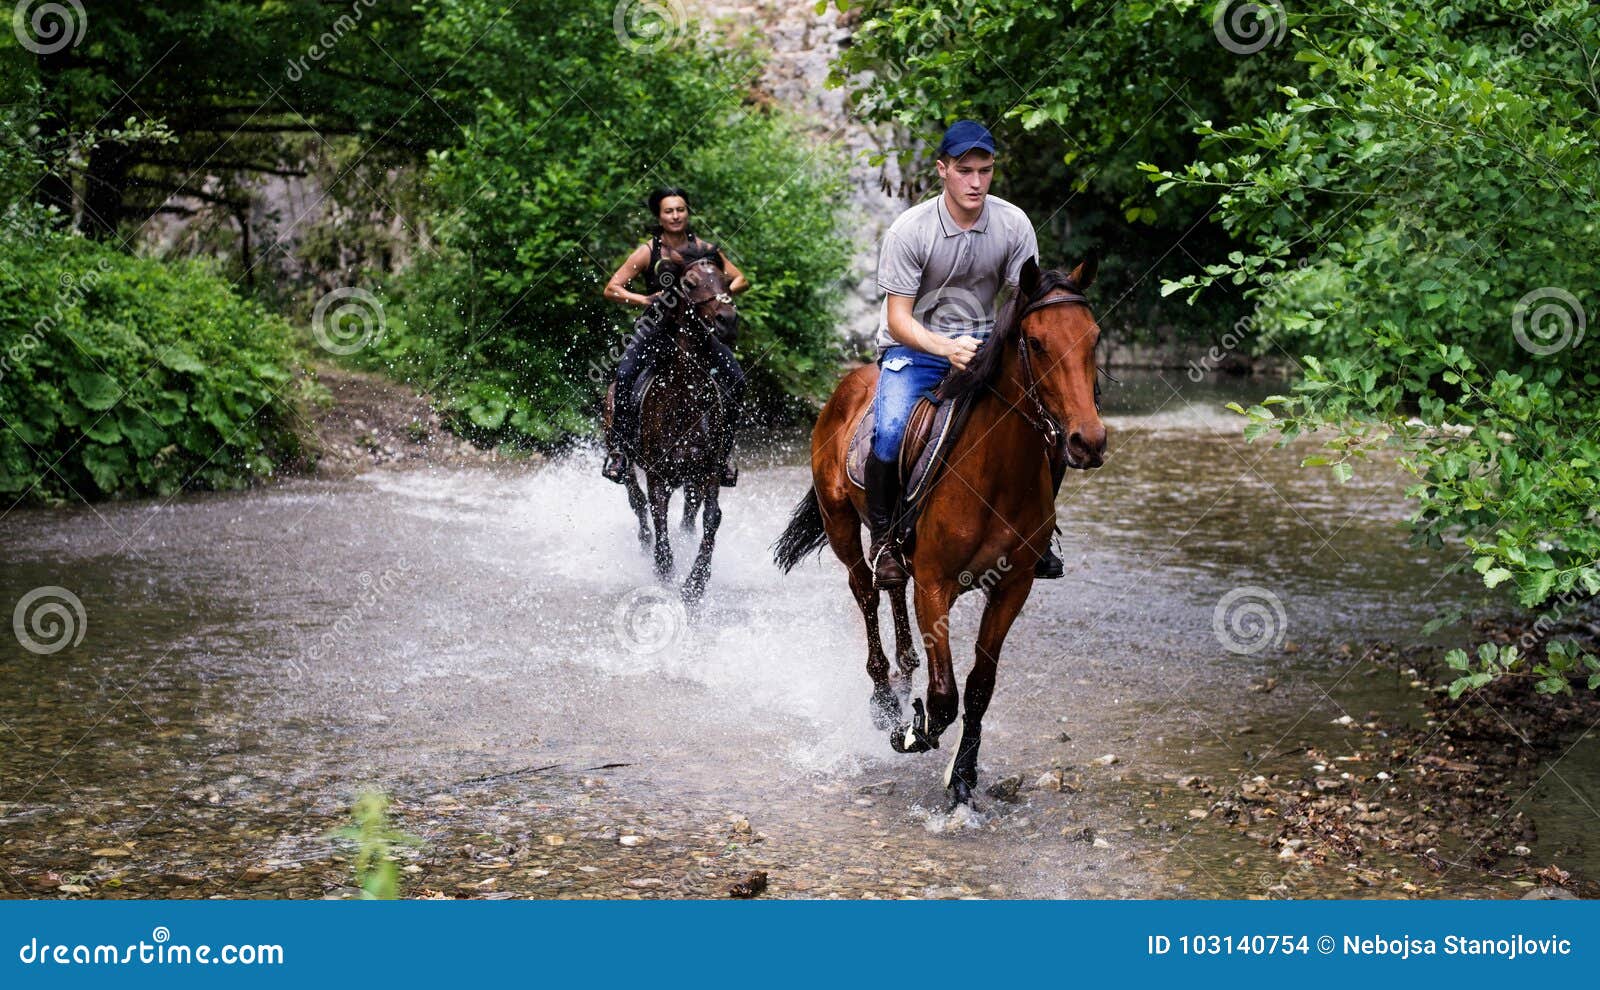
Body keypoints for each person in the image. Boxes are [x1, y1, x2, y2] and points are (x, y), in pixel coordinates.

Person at [868, 120, 1065, 588]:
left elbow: (1025, 302)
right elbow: (898, 317)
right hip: (914, 346)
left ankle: (1037, 535)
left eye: (985, 171)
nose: (976, 182)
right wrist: (944, 347)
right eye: (964, 170)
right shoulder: (910, 230)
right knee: (891, 430)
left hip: (986, 344)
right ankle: (883, 543)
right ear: (942, 170)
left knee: (1053, 428)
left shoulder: (1013, 223)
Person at [602, 187, 749, 486]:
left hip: (697, 334)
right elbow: (611, 288)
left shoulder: (705, 250)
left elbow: (741, 279)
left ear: (687, 212)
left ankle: (722, 456)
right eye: (669, 211)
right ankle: (621, 451)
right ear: (659, 216)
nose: (675, 215)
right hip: (656, 328)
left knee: (737, 380)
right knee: (626, 374)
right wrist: (643, 300)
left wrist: (716, 296)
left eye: (680, 209)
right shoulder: (648, 251)